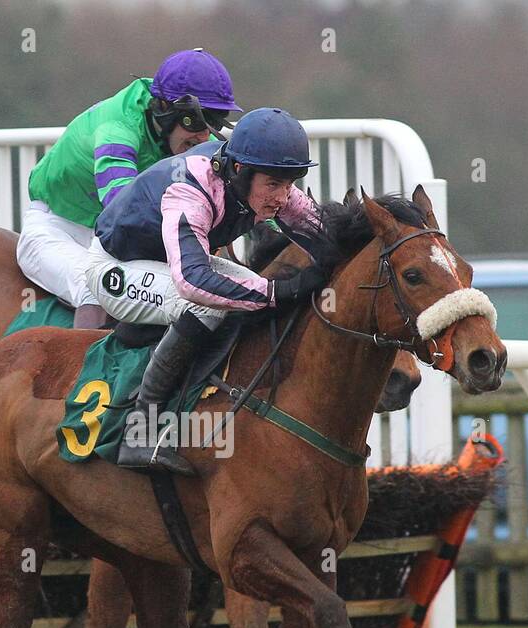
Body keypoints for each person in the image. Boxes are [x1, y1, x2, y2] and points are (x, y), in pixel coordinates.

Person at [84, 107, 328, 475]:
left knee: (241, 288)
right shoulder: (190, 189)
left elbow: (325, 234)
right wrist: (277, 292)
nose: (282, 197)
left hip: (165, 262)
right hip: (116, 268)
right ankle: (139, 432)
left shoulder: (258, 180)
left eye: (289, 184)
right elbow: (193, 281)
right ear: (240, 171)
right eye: (274, 185)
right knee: (210, 305)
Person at [17, 48, 240, 330]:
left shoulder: (167, 129)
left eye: (212, 122)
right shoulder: (118, 130)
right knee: (100, 284)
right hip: (57, 231)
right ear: (164, 110)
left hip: (109, 238)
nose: (203, 136)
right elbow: (124, 214)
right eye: (195, 121)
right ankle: (82, 373)